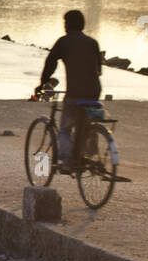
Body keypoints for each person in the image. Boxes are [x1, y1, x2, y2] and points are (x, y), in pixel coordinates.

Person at [37, 9, 103, 169]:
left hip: (75, 93)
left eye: (65, 23)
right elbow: (99, 70)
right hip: (94, 91)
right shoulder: (93, 42)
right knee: (85, 123)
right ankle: (89, 153)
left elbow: (50, 63)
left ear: (67, 24)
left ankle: (67, 160)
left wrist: (42, 83)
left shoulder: (64, 42)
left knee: (65, 128)